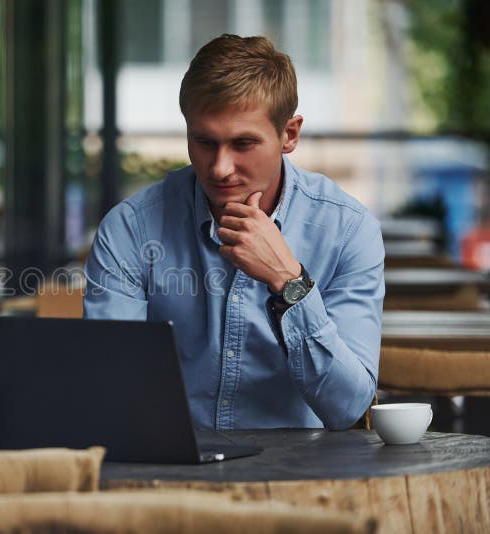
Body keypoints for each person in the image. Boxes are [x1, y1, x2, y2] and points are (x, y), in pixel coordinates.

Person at [83, 34, 385, 430]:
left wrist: (289, 282)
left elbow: (346, 408)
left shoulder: (347, 230)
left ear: (289, 135)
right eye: (204, 141)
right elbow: (110, 391)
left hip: (304, 476)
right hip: (169, 469)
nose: (220, 168)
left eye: (243, 143)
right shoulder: (131, 229)